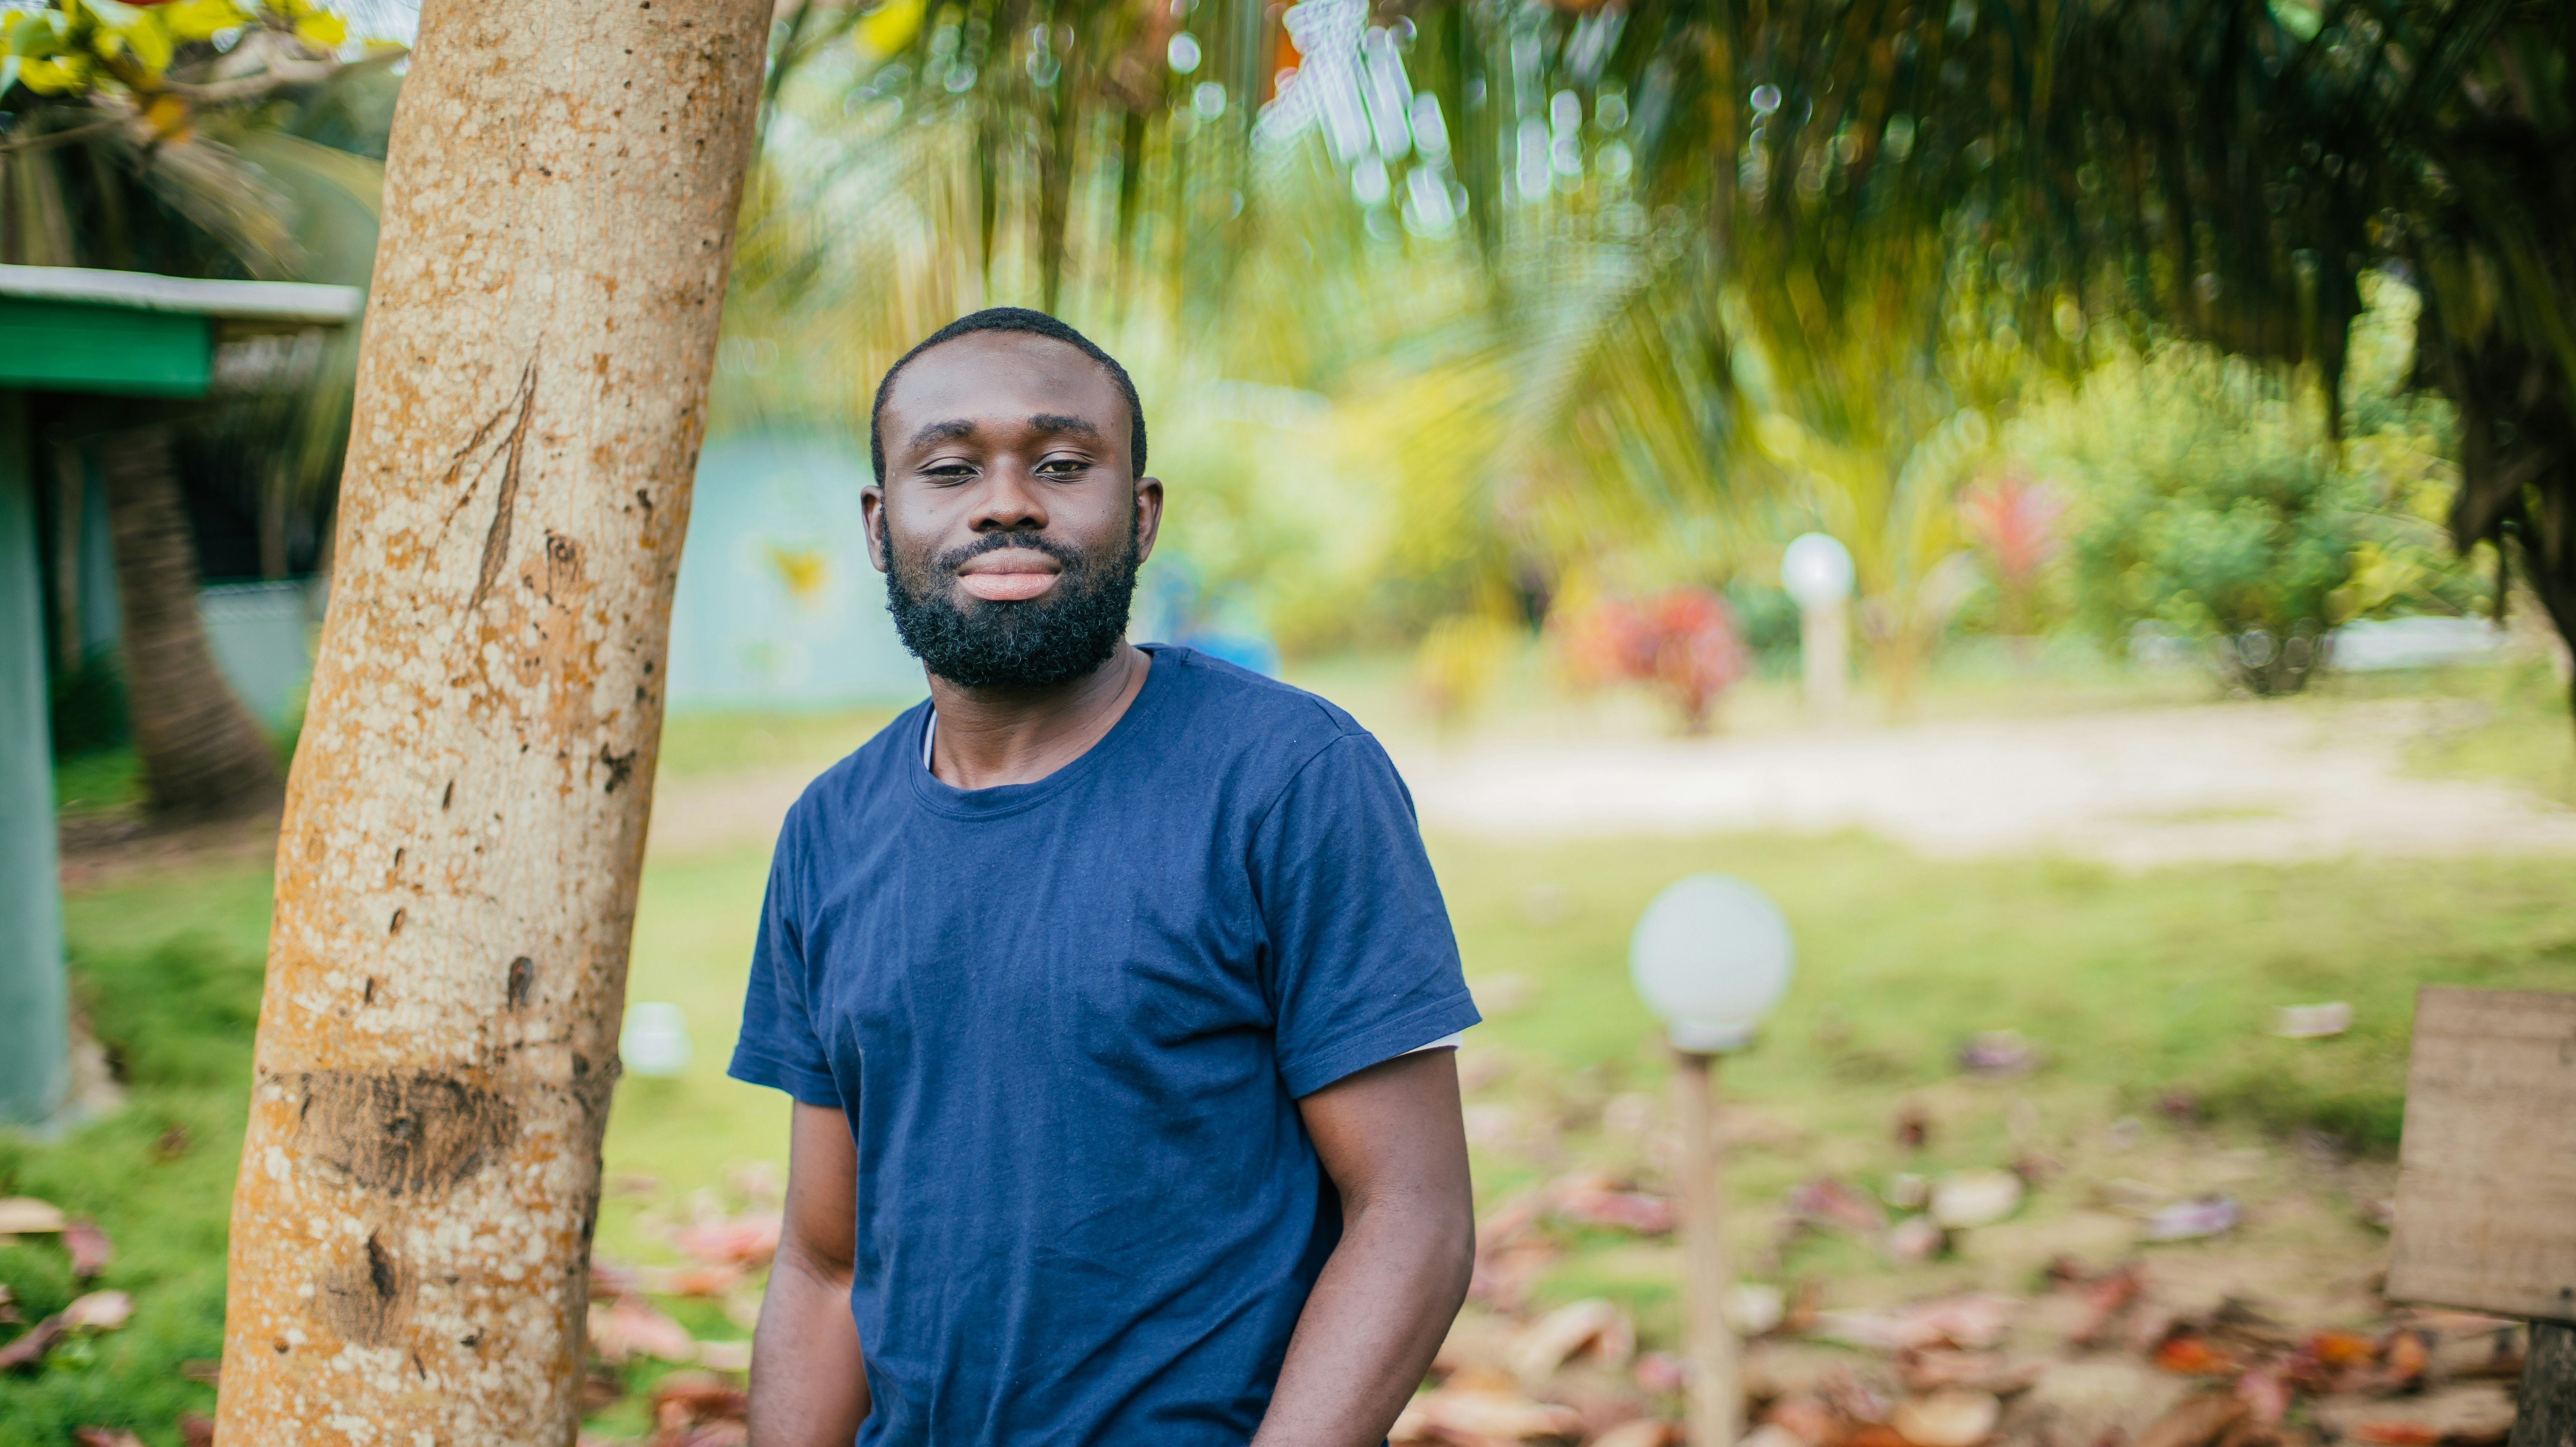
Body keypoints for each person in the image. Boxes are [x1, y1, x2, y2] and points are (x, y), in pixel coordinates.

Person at [732, 307, 1482, 1446]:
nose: (1006, 503)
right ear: (883, 528)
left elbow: (1412, 1214)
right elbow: (826, 1260)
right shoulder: (829, 830)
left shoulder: (1291, 781)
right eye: (949, 469)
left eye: (1063, 464)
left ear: (1139, 518)